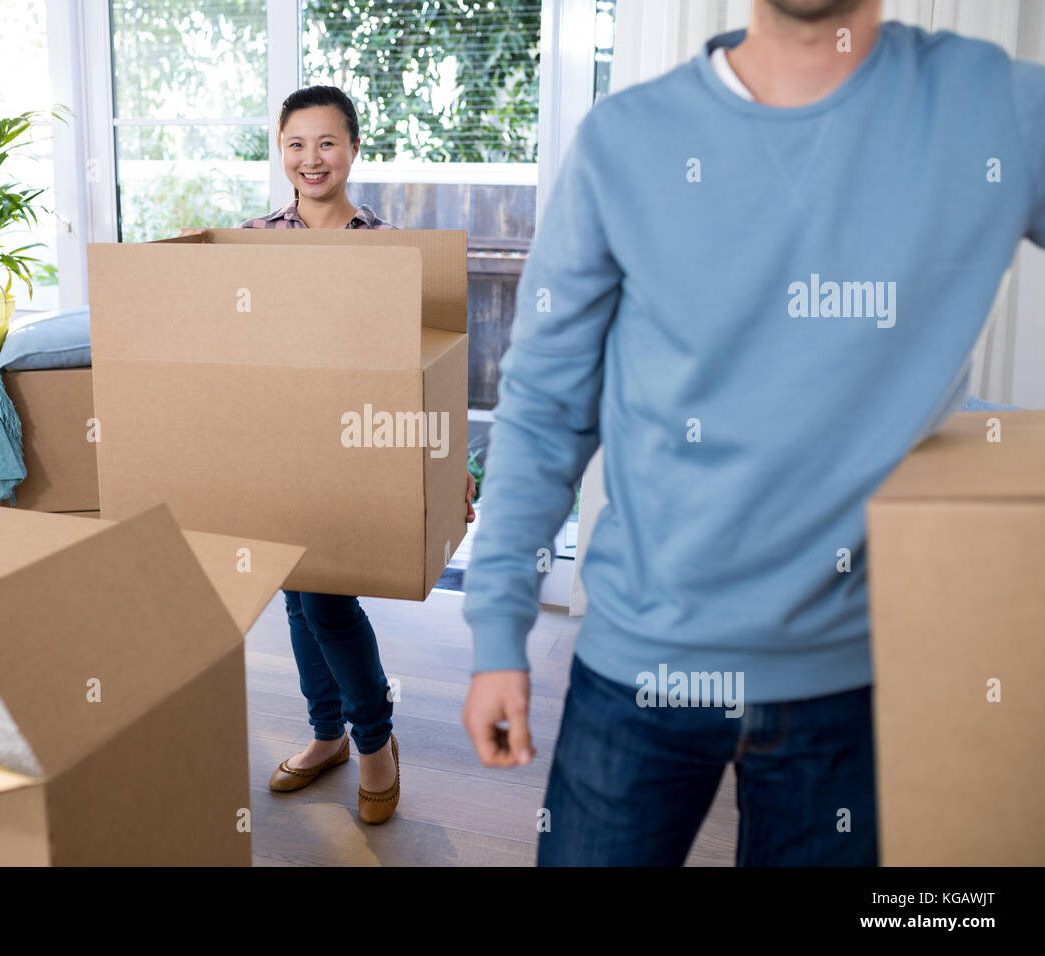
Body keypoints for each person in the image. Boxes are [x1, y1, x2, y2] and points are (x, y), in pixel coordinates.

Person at [461, 0, 1045, 865]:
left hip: (860, 681)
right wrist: (497, 625)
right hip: (640, 667)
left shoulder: (995, 110)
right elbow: (546, 405)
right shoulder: (628, 140)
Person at [242, 85, 477, 825]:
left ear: (353, 149)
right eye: (296, 143)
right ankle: (326, 736)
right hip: (278, 445)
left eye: (327, 143)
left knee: (327, 598)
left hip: (353, 442)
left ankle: (372, 741)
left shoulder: (387, 248)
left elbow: (429, 363)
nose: (311, 159)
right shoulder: (250, 240)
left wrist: (449, 467)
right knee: (297, 594)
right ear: (278, 148)